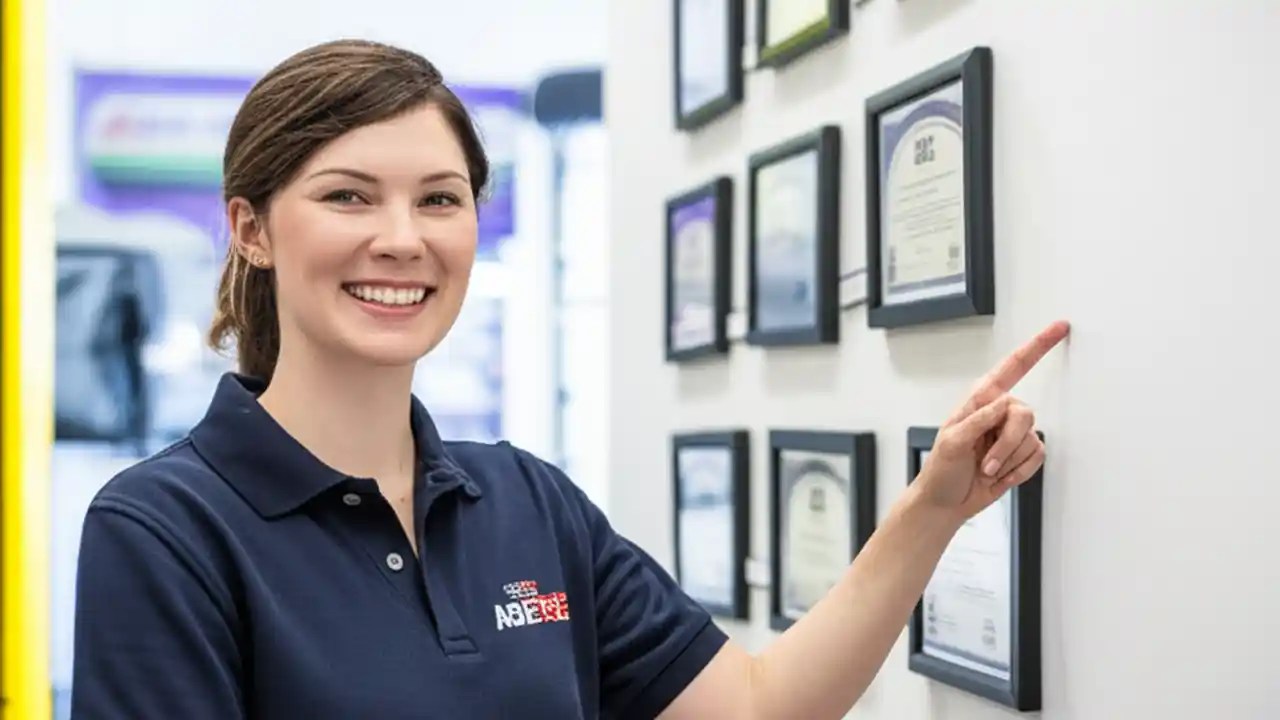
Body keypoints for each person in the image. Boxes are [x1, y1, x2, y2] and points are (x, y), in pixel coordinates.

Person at [70, 38, 1069, 720]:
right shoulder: (164, 529)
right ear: (251, 229)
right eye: (347, 196)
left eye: (439, 199)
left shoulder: (525, 504)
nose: (402, 239)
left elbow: (757, 705)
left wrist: (935, 506)